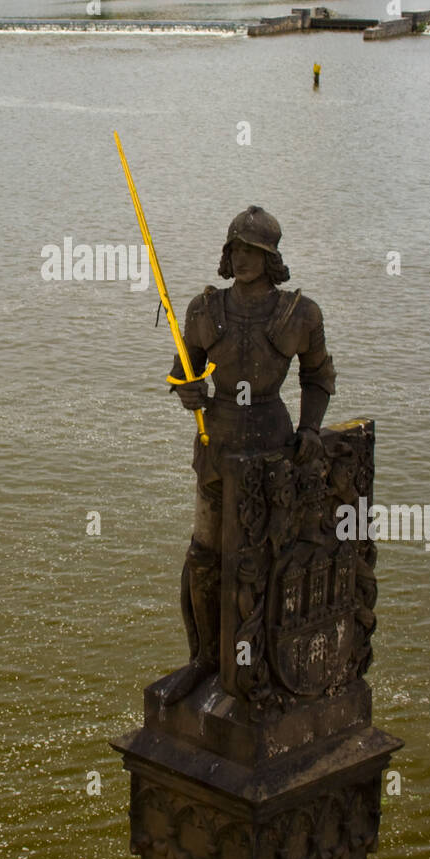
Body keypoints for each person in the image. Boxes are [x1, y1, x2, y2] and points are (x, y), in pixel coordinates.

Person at [162, 206, 336, 704]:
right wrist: (187, 390)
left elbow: (318, 376)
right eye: (236, 249)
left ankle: (260, 659)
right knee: (204, 555)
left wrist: (309, 429)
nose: (242, 259)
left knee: (265, 557)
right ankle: (204, 659)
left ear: (271, 258)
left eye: (253, 252)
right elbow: (182, 370)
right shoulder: (203, 309)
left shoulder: (301, 312)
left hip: (271, 443)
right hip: (216, 442)